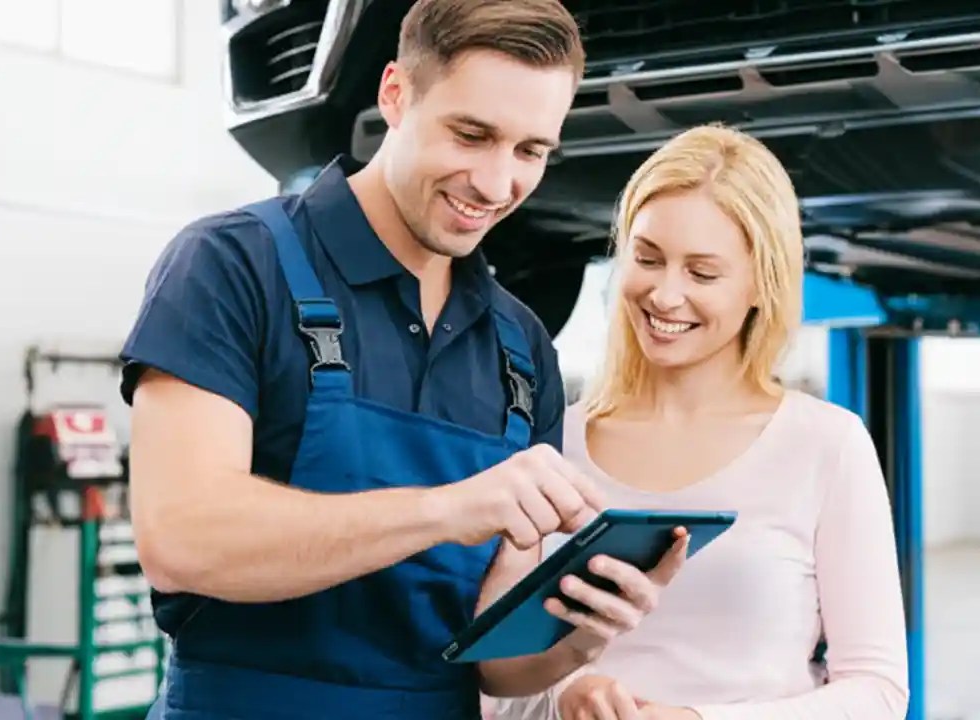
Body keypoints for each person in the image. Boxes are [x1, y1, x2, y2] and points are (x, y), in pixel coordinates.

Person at [120, 2, 688, 718]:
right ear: (395, 94)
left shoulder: (521, 348)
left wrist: (581, 632)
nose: (495, 183)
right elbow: (183, 537)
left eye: (530, 151)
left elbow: (495, 665)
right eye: (471, 134)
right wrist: (445, 510)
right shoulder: (233, 265)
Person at [487, 124, 910, 720]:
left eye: (703, 273)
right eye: (648, 258)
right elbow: (489, 683)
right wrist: (562, 696)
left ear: (762, 284)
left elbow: (877, 693)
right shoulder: (554, 445)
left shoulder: (826, 445)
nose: (664, 294)